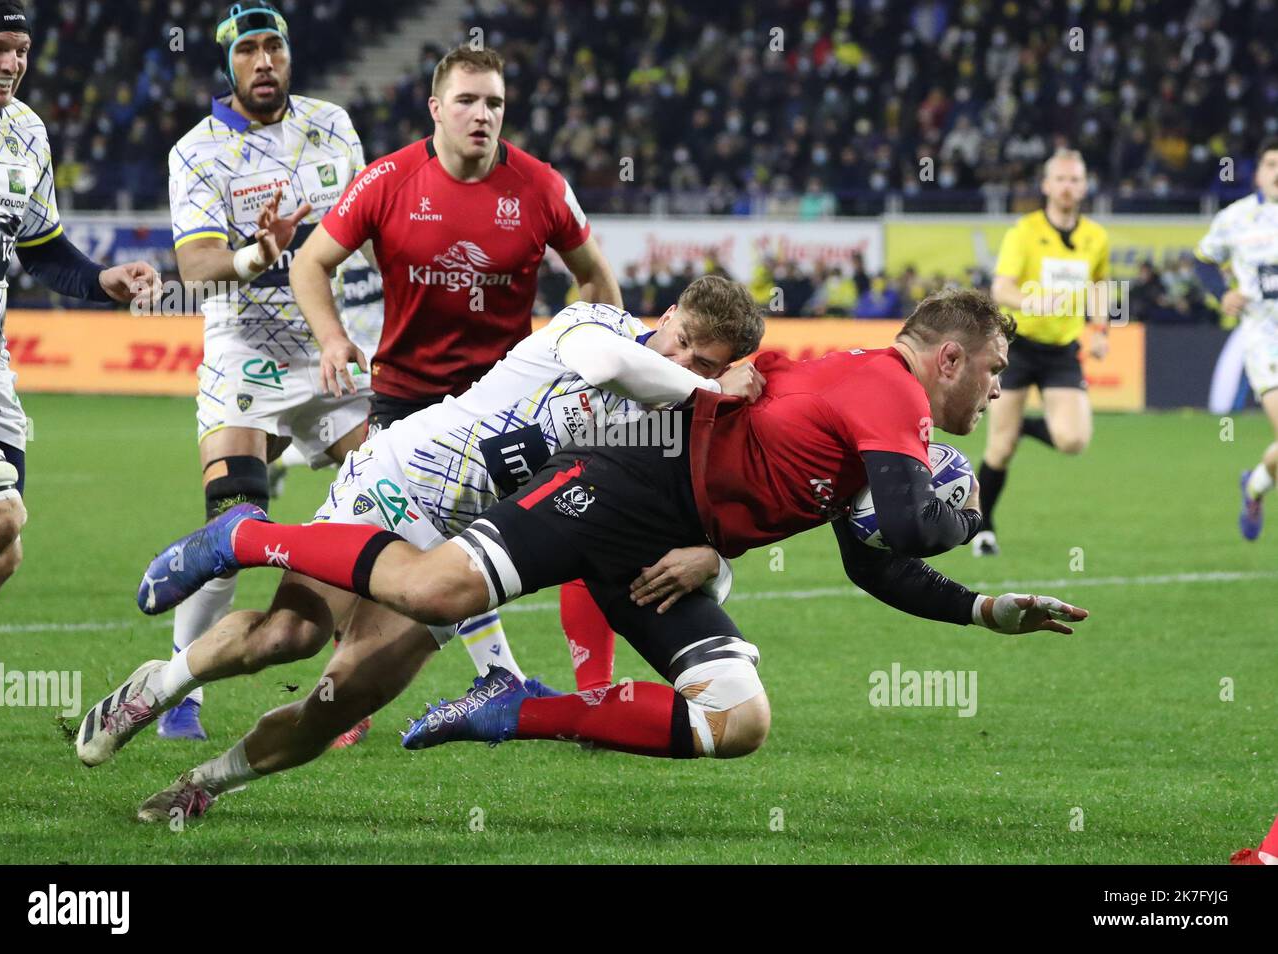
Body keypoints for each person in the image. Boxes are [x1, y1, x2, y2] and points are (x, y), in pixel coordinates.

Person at [118, 289, 1086, 809]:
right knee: (434, 596)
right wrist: (961, 516)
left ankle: (515, 708)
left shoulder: (868, 400)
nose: (999, 391)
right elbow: (911, 526)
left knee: (738, 719)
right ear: (948, 358)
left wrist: (983, 609)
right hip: (615, 490)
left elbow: (873, 559)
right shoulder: (893, 393)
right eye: (996, 370)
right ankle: (244, 532)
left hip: (664, 540)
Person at [75, 278, 765, 820]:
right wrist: (709, 389)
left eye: (705, 362)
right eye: (682, 343)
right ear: (667, 316)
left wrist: (716, 561)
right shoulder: (598, 324)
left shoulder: (674, 424)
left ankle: (203, 784)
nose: (682, 362)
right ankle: (156, 689)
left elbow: (681, 514)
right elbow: (607, 364)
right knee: (289, 636)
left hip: (466, 551)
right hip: (401, 480)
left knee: (338, 702)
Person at [289, 43, 622, 694]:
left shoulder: (542, 187)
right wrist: (331, 339)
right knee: (373, 554)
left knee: (585, 518)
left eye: (494, 102)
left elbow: (597, 281)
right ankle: (346, 696)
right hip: (407, 401)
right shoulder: (387, 180)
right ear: (436, 108)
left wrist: (585, 360)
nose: (482, 114)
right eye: (467, 100)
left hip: (507, 407)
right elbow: (310, 262)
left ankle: (590, 691)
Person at [161, 2, 378, 741]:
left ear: (289, 55)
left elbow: (370, 229)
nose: (264, 62)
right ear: (228, 63)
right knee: (232, 528)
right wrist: (257, 253)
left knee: (402, 502)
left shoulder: (332, 126)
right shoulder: (197, 150)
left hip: (330, 346)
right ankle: (180, 690)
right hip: (244, 349)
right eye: (249, 50)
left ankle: (360, 686)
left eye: (274, 48)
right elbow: (195, 266)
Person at [0, 1, 159, 628]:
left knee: (0, 555)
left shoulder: (26, 132)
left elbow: (42, 249)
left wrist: (103, 280)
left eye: (22, 50)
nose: (12, 63)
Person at [972, 149, 1111, 556]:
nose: (1068, 186)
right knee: (1000, 449)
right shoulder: (1025, 231)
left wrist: (1100, 329)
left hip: (1062, 349)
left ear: (1084, 187)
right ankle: (983, 528)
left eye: (1075, 179)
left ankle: (1022, 426)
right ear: (1047, 185)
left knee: (1073, 440)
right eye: (1061, 179)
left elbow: (1100, 284)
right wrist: (1033, 301)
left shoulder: (1096, 237)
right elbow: (1001, 288)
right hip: (1017, 347)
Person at [1195, 138, 1278, 540]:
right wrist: (1222, 293)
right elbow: (1203, 259)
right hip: (1266, 341)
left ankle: (1255, 485)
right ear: (1258, 173)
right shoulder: (1236, 218)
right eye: (1271, 164)